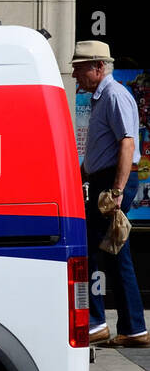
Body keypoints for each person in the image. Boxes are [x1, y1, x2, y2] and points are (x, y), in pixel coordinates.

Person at [74, 40, 147, 347]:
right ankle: (131, 327)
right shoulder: (102, 97)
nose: (76, 76)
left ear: (99, 67)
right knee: (116, 253)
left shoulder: (115, 95)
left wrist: (116, 190)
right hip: (105, 180)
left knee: (94, 249)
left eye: (80, 69)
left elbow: (127, 144)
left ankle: (96, 322)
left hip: (113, 182)